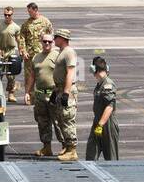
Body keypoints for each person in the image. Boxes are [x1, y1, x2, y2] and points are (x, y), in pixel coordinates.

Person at [25, 32, 58, 156]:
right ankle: (46, 147)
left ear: (53, 42)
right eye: (45, 41)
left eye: (49, 41)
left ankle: (67, 147)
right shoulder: (36, 57)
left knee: (59, 123)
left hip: (53, 95)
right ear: (41, 42)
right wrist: (28, 92)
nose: (47, 44)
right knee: (43, 123)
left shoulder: (57, 56)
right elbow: (32, 76)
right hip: (40, 96)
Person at [50, 28, 79, 162]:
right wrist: (56, 92)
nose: (54, 39)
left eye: (56, 37)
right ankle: (67, 147)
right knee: (61, 119)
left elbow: (70, 73)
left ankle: (72, 150)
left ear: (62, 38)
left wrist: (66, 93)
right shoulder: (61, 52)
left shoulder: (69, 52)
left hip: (66, 90)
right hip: (60, 89)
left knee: (67, 119)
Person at [85, 55, 120, 161]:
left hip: (107, 125)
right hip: (98, 122)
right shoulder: (99, 84)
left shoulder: (108, 84)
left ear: (94, 69)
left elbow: (109, 107)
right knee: (91, 155)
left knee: (111, 158)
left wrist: (100, 125)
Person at [17, 2, 53, 102]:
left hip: (42, 54)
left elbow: (50, 36)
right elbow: (21, 38)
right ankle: (29, 97)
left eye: (30, 11)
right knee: (29, 76)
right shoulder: (26, 24)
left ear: (36, 10)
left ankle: (42, 97)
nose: (29, 14)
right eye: (28, 12)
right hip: (30, 54)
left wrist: (49, 49)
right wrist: (23, 51)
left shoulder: (45, 22)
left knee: (42, 74)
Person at [0, 5, 21, 102]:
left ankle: (11, 94)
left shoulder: (16, 27)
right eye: (5, 15)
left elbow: (19, 40)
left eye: (9, 15)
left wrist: (21, 51)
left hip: (11, 51)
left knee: (11, 75)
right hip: (1, 51)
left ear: (12, 15)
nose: (7, 17)